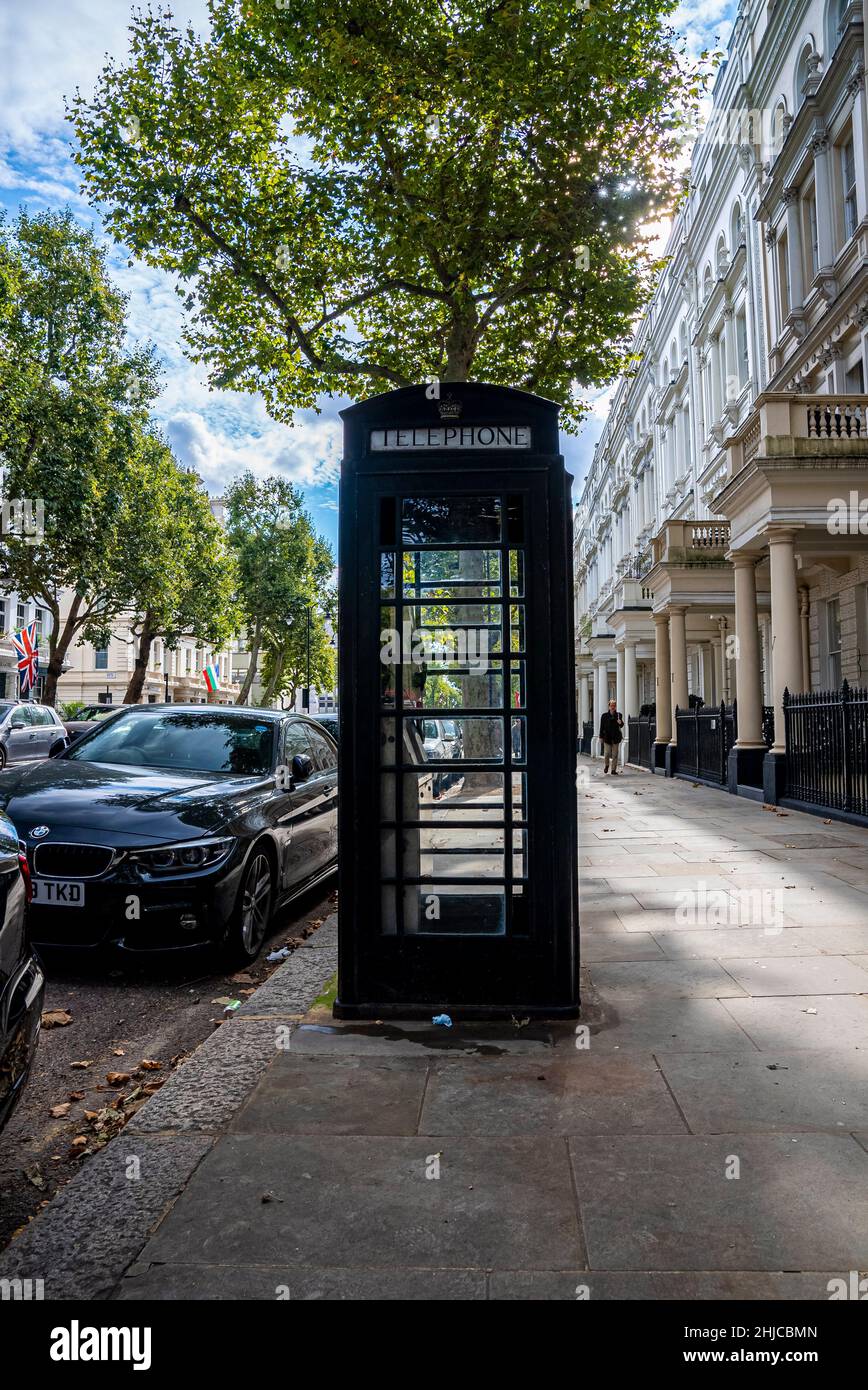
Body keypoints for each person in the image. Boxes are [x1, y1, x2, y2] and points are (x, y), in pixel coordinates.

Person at [598, 699, 624, 774]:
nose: (612, 707)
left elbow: (622, 725)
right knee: (607, 753)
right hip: (607, 737)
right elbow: (601, 727)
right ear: (609, 706)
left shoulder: (619, 715)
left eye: (614, 706)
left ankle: (613, 770)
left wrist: (620, 722)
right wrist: (600, 737)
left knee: (615, 755)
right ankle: (606, 765)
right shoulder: (604, 716)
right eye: (611, 705)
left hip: (616, 737)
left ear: (615, 707)